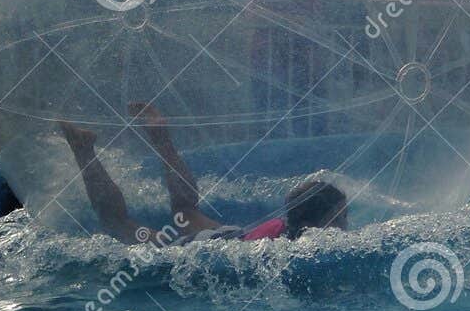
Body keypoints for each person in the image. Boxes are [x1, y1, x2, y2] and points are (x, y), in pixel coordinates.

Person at [58, 102, 349, 244]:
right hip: (200, 248)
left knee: (185, 210)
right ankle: (84, 150)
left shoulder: (287, 229)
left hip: (229, 236)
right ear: (328, 220)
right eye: (342, 215)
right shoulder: (300, 245)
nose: (346, 222)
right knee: (116, 221)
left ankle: (161, 138)